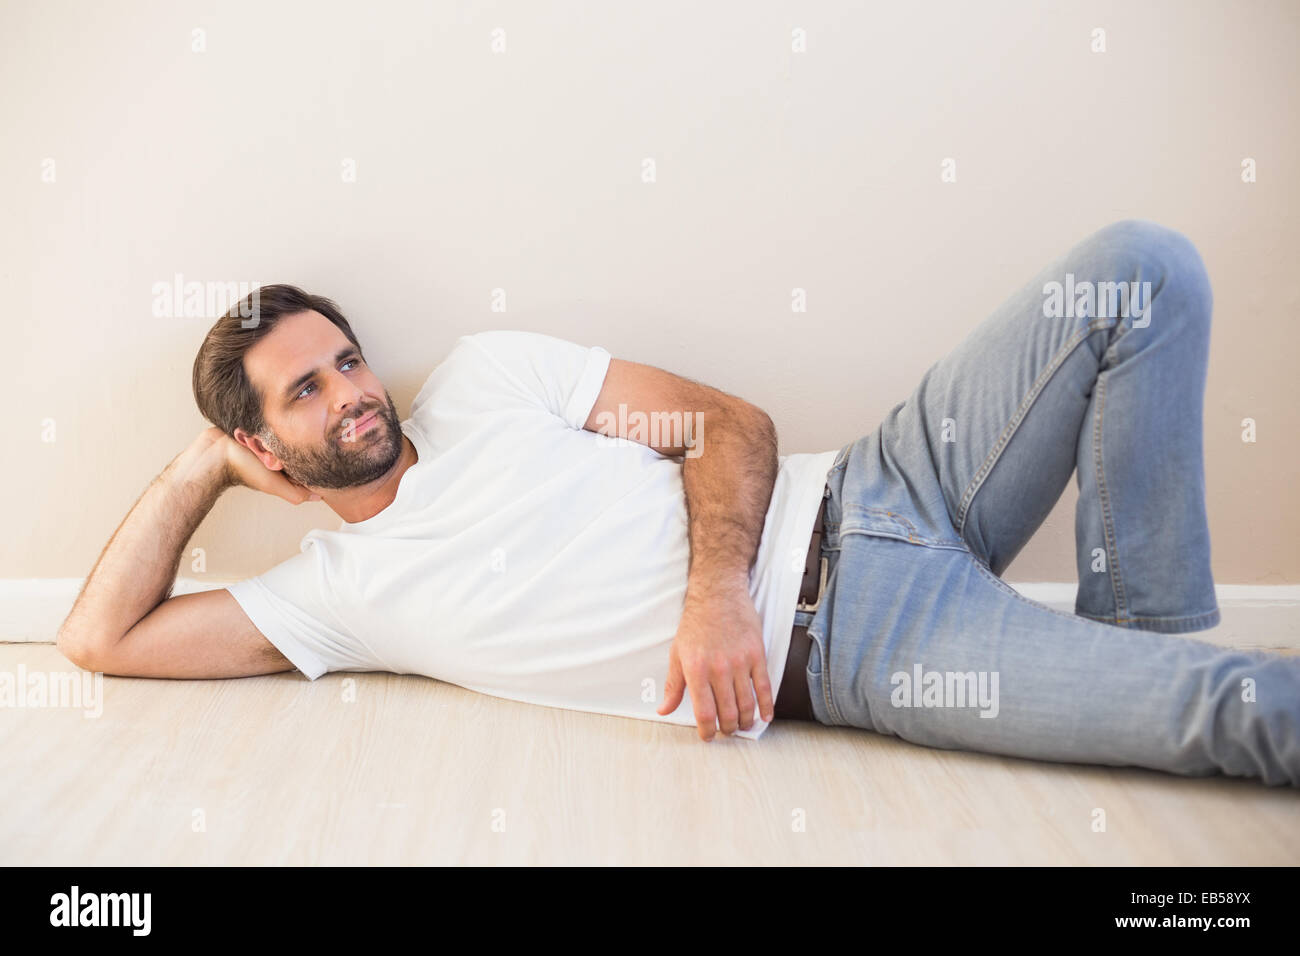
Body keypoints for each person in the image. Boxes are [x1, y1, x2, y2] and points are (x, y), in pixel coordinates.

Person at [56, 219, 1300, 787]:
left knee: (1138, 272)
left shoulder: (489, 379)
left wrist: (712, 590)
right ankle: (1151, 692)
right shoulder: (332, 601)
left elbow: (730, 425)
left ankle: (1133, 649)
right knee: (1241, 708)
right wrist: (199, 471)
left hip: (889, 477)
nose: (349, 395)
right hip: (867, 637)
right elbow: (100, 639)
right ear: (259, 439)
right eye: (303, 394)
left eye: (345, 361)